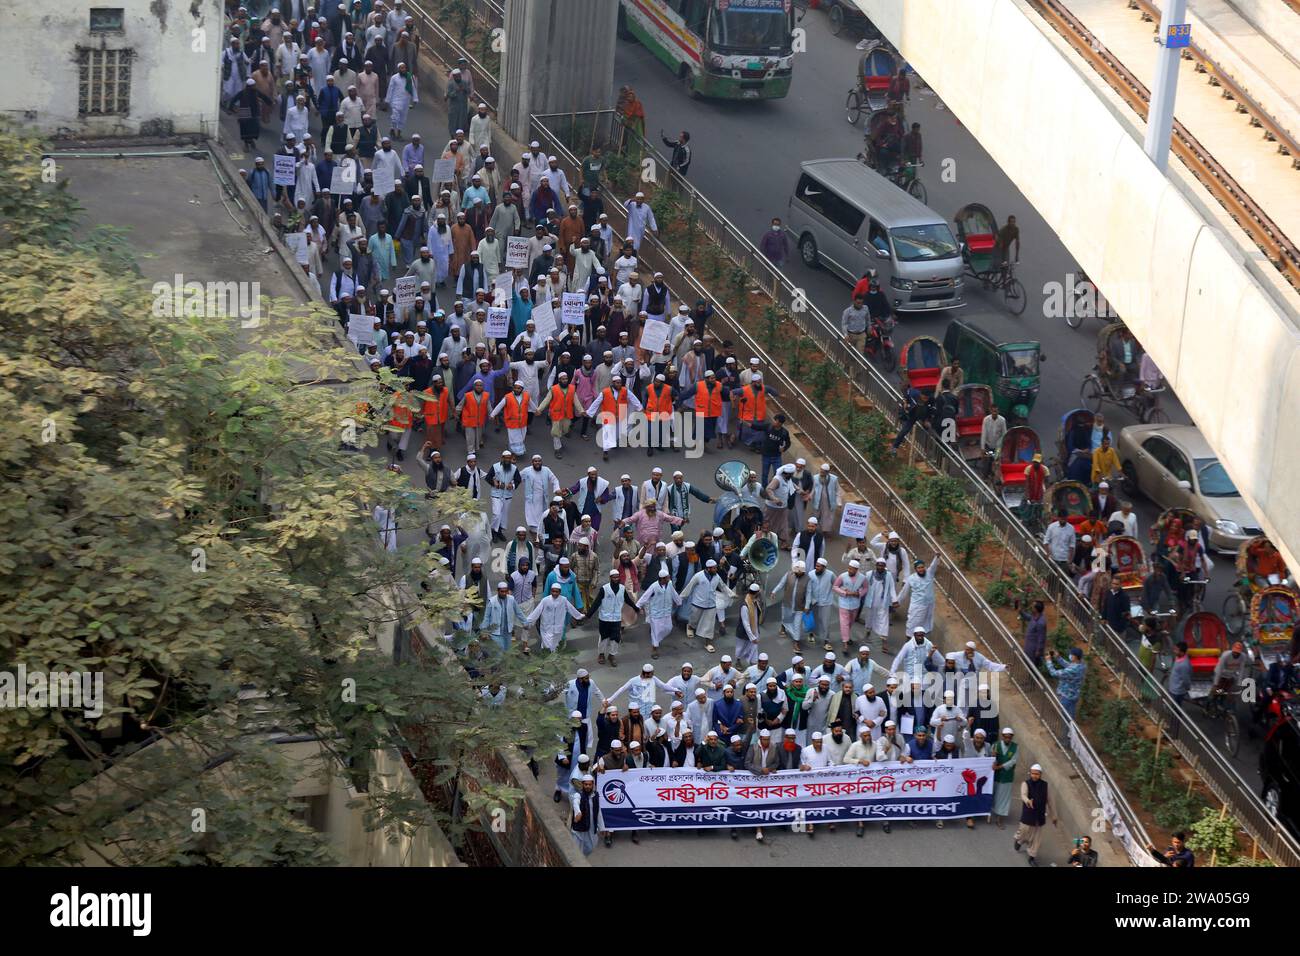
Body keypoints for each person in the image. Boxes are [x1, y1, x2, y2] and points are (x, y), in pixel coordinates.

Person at [1013, 763, 1055, 866]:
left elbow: (1050, 801)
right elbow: (1023, 795)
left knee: (1037, 839)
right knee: (1024, 832)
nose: (1034, 776)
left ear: (1040, 774)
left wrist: (1054, 815)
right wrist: (1028, 801)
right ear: (1030, 773)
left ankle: (1032, 857)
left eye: (1037, 774)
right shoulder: (1026, 784)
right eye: (1033, 773)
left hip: (1039, 816)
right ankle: (1019, 841)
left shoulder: (1046, 785)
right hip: (1028, 815)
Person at [1045, 647, 1086, 719]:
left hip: (1067, 696)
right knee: (1070, 717)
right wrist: (1058, 658)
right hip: (1074, 695)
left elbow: (1053, 673)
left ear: (1075, 657)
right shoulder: (1081, 665)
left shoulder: (1071, 670)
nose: (1070, 655)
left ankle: (1067, 730)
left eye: (1071, 654)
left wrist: (1048, 661)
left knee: (1066, 719)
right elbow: (1069, 665)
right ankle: (1069, 729)